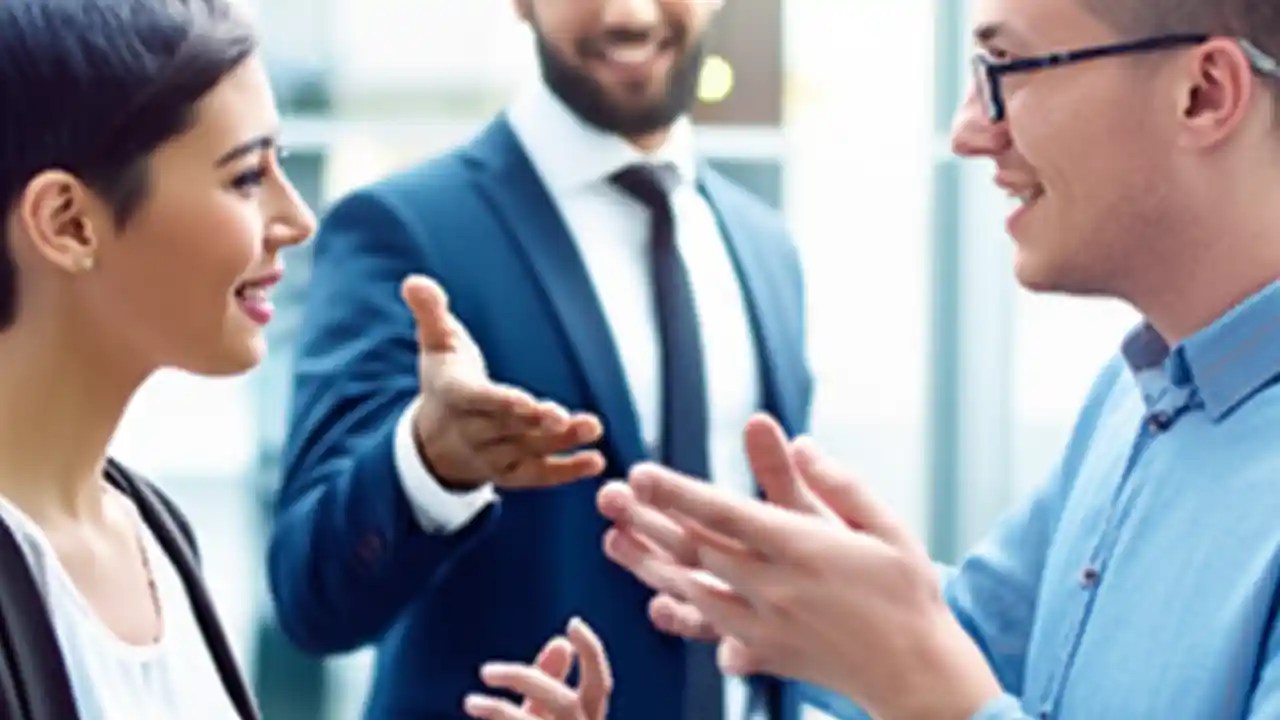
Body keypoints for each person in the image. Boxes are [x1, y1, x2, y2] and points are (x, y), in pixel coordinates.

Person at [596, 0, 1280, 717]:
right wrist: (822, 596)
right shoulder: (1134, 396)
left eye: (1005, 69)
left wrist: (914, 670)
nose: (968, 133)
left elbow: (943, 678)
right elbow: (981, 648)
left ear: (1203, 94)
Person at [266, 0, 812, 717]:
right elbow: (314, 595)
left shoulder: (764, 247)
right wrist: (427, 465)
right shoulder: (402, 230)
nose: (629, 12)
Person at [0, 0, 315, 717]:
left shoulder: (153, 530)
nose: (297, 219)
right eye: (244, 177)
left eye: (281, 165)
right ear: (68, 223)